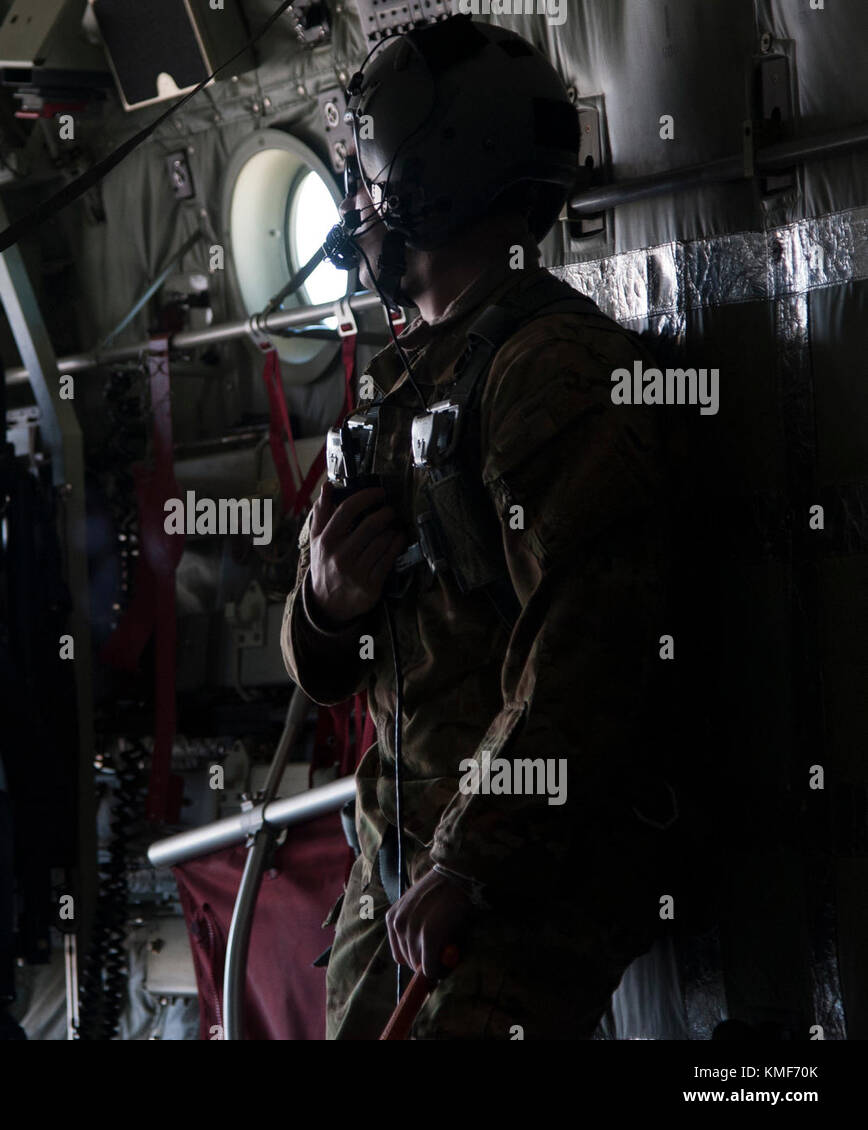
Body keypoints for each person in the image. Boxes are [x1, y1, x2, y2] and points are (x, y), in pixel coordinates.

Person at [281, 15, 677, 1039]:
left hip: (508, 888)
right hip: (405, 869)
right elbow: (327, 659)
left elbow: (583, 660)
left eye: (368, 183)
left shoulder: (550, 376)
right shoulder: (409, 383)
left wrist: (466, 855)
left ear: (426, 184)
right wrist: (324, 607)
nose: (356, 210)